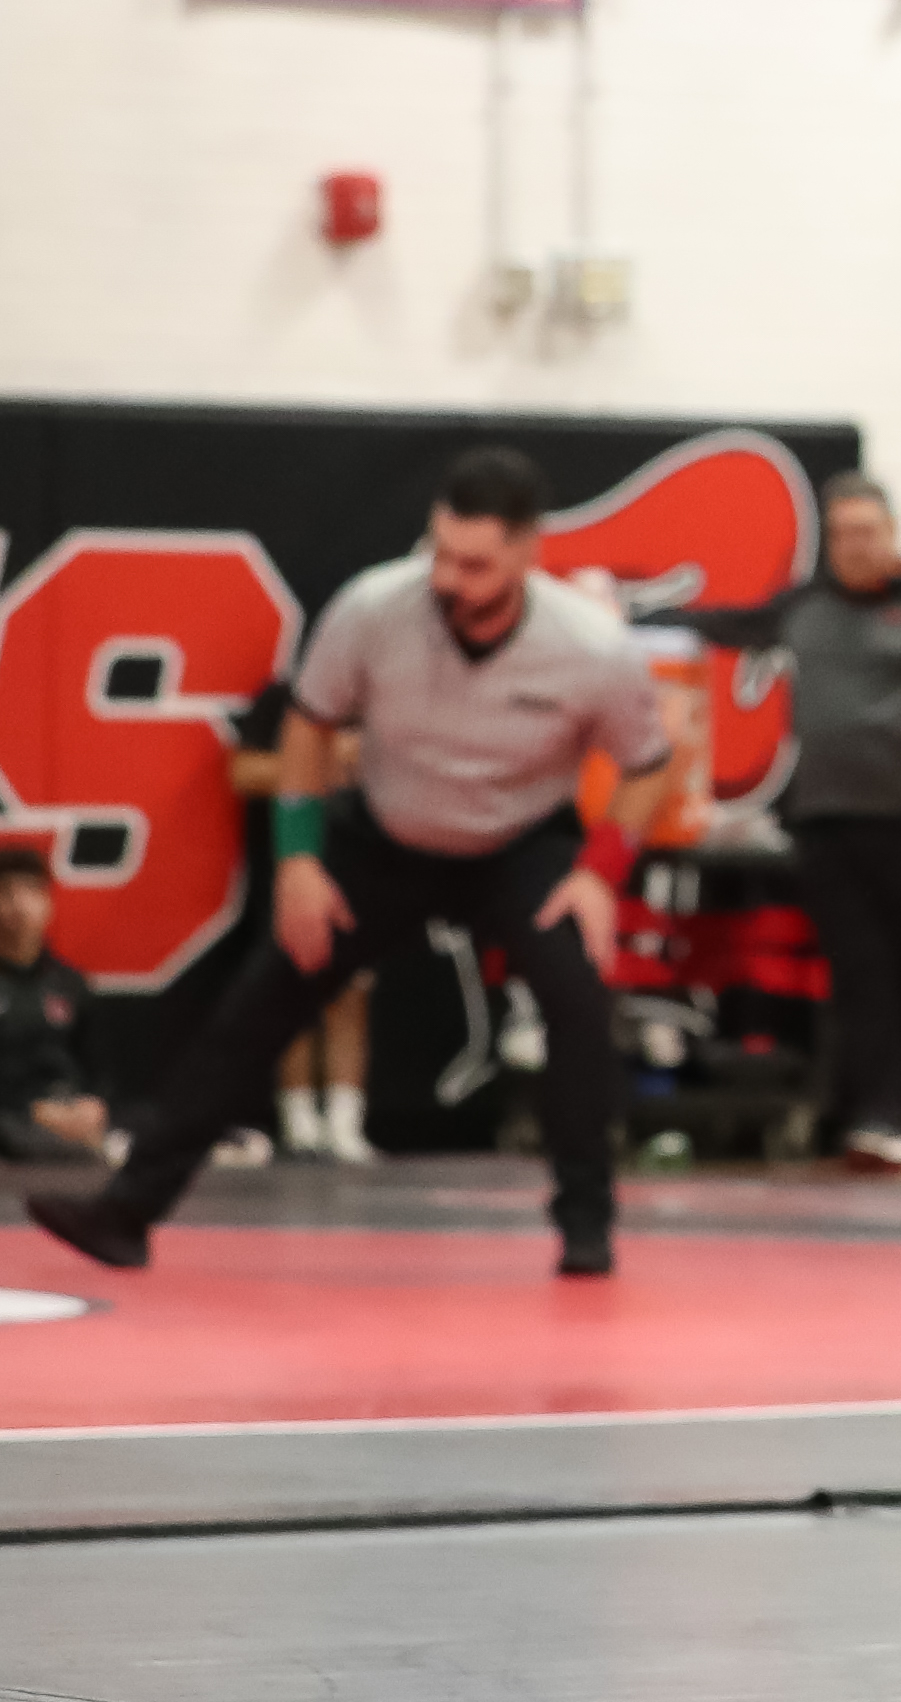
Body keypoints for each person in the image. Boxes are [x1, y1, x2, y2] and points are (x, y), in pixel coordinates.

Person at [25, 449, 674, 1278]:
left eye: (476, 565)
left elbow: (650, 765)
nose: (452, 579)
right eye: (442, 555)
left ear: (526, 552)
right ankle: (126, 1213)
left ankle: (587, 1230)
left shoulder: (592, 645)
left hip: (520, 843)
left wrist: (598, 874)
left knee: (579, 1006)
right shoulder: (374, 608)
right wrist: (299, 861)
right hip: (384, 834)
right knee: (258, 1003)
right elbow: (309, 726)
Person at [657, 471, 901, 1175]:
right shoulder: (802, 606)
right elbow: (725, 626)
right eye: (842, 534)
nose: (856, 546)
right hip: (830, 818)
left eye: (868, 531)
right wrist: (624, 616)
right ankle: (875, 1121)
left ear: (892, 533)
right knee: (860, 974)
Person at [227, 683, 375, 1163]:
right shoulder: (283, 700)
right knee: (292, 991)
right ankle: (300, 1122)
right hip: (293, 867)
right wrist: (322, 765)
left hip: (359, 865)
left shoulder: (378, 699)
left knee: (351, 996)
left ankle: (345, 1122)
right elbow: (244, 771)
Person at [0, 850, 106, 1165]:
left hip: (65, 1117)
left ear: (48, 903)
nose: (19, 905)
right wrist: (33, 1110)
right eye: (5, 893)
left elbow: (98, 1067)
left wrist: (93, 1106)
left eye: (31, 891)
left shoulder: (70, 984)